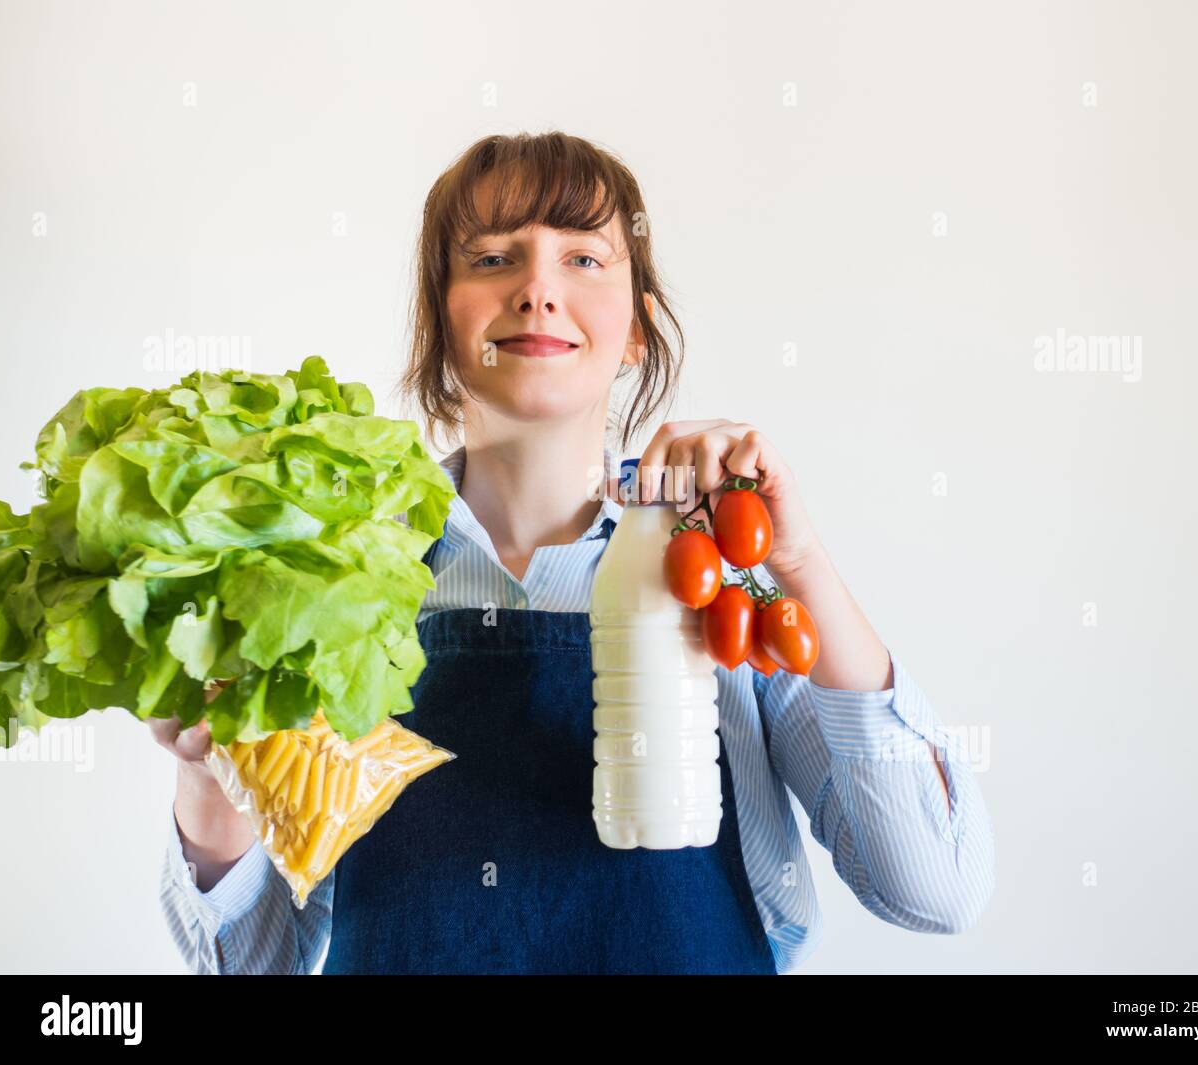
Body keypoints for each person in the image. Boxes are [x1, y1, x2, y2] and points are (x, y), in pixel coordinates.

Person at [153, 130, 995, 975]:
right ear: (440, 320)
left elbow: (935, 889)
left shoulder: (722, 584)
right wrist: (207, 773)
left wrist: (800, 561)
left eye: (584, 260)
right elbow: (251, 967)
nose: (537, 291)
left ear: (638, 327)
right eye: (491, 258)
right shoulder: (335, 587)